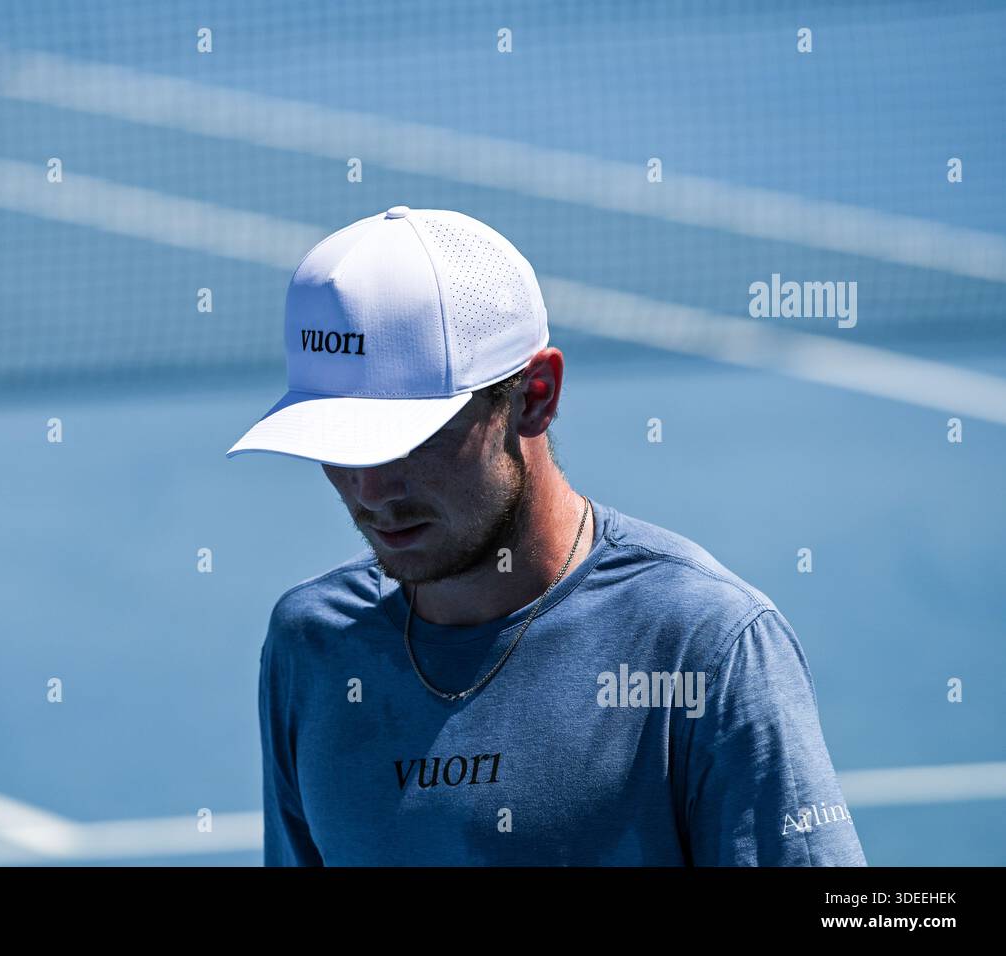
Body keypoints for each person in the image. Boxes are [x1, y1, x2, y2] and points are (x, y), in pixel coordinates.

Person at [227, 206, 866, 866]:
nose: (370, 491)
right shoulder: (312, 646)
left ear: (535, 395)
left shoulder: (705, 645)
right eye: (337, 444)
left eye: (412, 441)